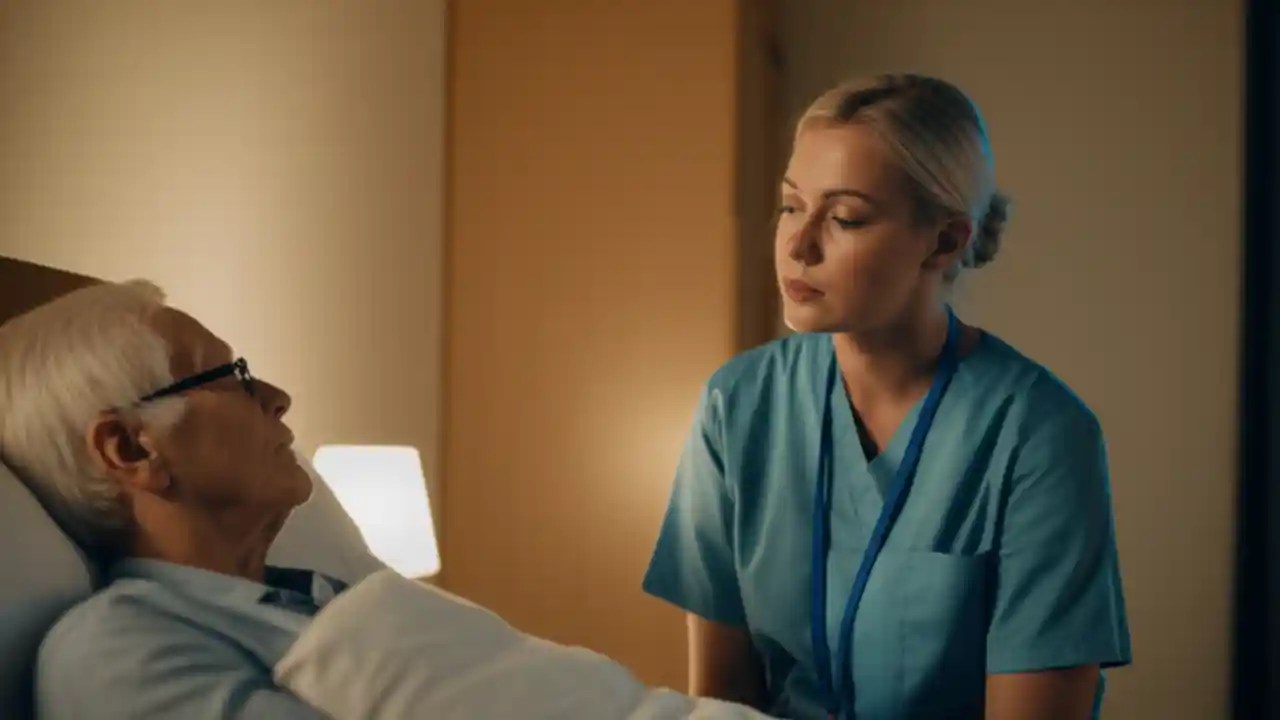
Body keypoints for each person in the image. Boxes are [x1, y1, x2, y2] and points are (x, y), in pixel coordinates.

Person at [643, 74, 1131, 720]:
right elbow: (721, 700)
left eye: (845, 217)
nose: (798, 244)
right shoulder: (739, 405)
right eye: (792, 206)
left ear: (946, 240)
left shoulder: (1038, 435)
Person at [0, 280, 335, 718]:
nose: (278, 398)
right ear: (131, 450)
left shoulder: (327, 595)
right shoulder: (118, 653)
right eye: (229, 378)